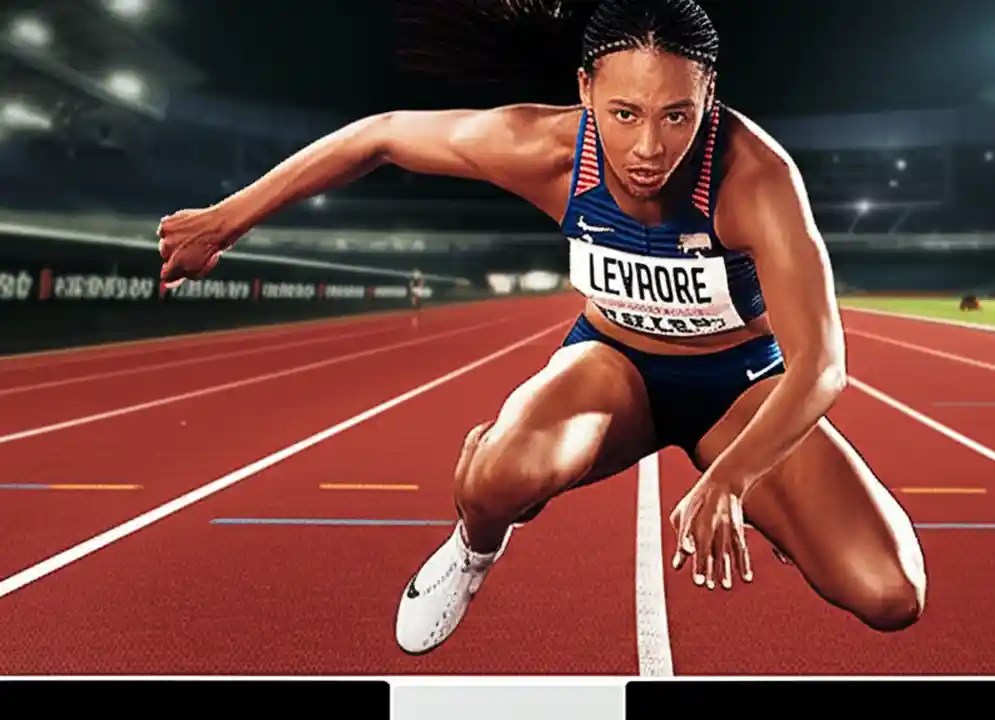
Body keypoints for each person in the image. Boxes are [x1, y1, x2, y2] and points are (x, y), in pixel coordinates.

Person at [157, 0, 927, 657]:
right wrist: (227, 220)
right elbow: (380, 135)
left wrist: (735, 475)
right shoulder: (546, 149)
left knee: (892, 595)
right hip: (614, 368)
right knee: (495, 481)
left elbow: (822, 364)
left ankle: (779, 509)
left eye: (676, 115)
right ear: (585, 89)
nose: (650, 149)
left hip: (739, 392)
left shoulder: (755, 178)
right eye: (624, 114)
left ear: (710, 96)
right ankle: (473, 547)